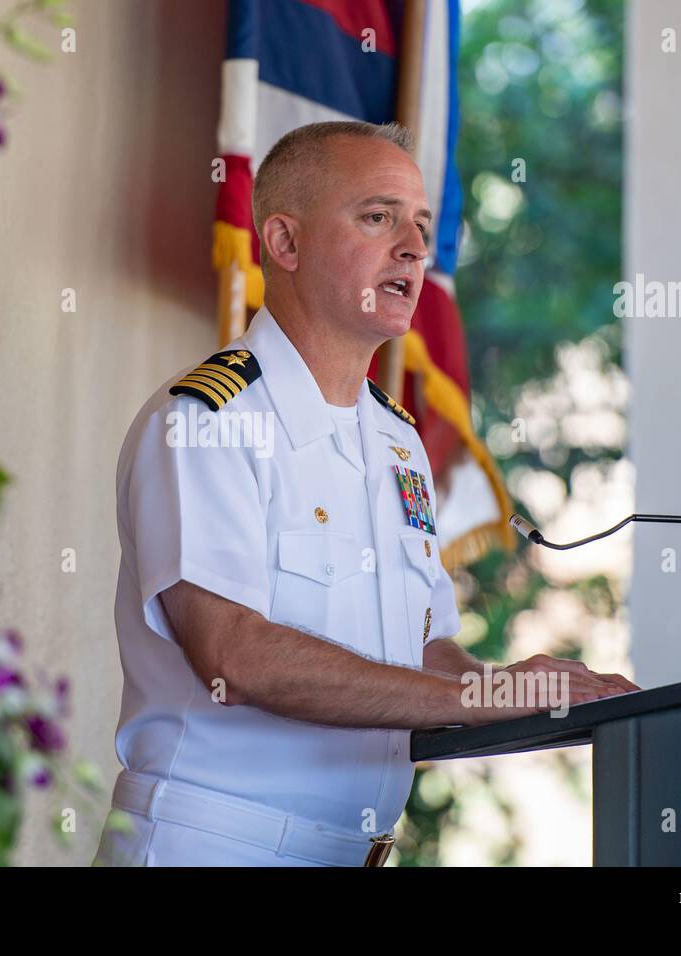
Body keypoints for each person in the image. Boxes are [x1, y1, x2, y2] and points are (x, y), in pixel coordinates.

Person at [93, 121, 638, 867]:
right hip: (213, 845)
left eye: (420, 224)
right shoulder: (206, 422)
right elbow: (235, 656)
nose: (415, 248)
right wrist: (481, 699)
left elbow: (425, 651)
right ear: (284, 244)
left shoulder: (394, 439)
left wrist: (518, 686)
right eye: (378, 218)